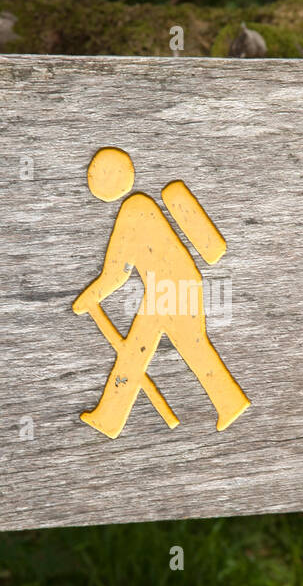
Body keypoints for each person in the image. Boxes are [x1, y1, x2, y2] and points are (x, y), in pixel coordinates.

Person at [73, 147, 250, 439]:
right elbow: (119, 270)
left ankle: (111, 417)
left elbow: (116, 273)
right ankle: (110, 417)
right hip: (172, 287)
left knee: (180, 349)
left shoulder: (133, 210)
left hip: (169, 290)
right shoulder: (141, 206)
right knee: (152, 351)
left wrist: (89, 298)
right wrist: (92, 296)